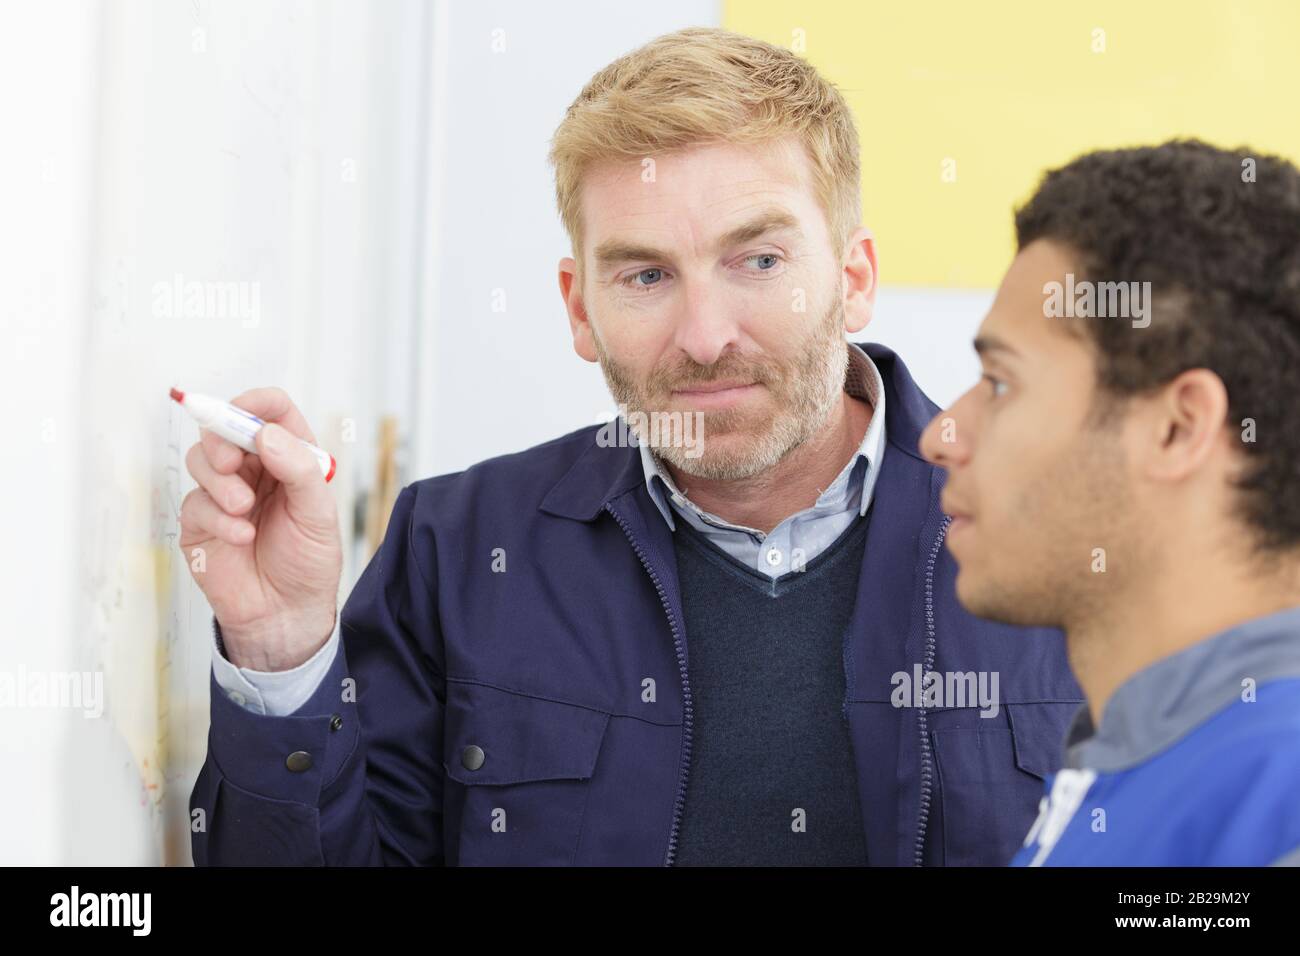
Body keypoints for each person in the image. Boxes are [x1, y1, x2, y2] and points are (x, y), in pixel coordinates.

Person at [184, 27, 1080, 866]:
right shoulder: (454, 549)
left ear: (852, 280)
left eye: (758, 261)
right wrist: (280, 647)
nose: (704, 336)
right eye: (647, 276)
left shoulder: (1059, 537)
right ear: (581, 308)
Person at [920, 140, 1300, 866]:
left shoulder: (1275, 802)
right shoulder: (1138, 761)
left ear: (1176, 428)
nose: (940, 435)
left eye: (1000, 384)